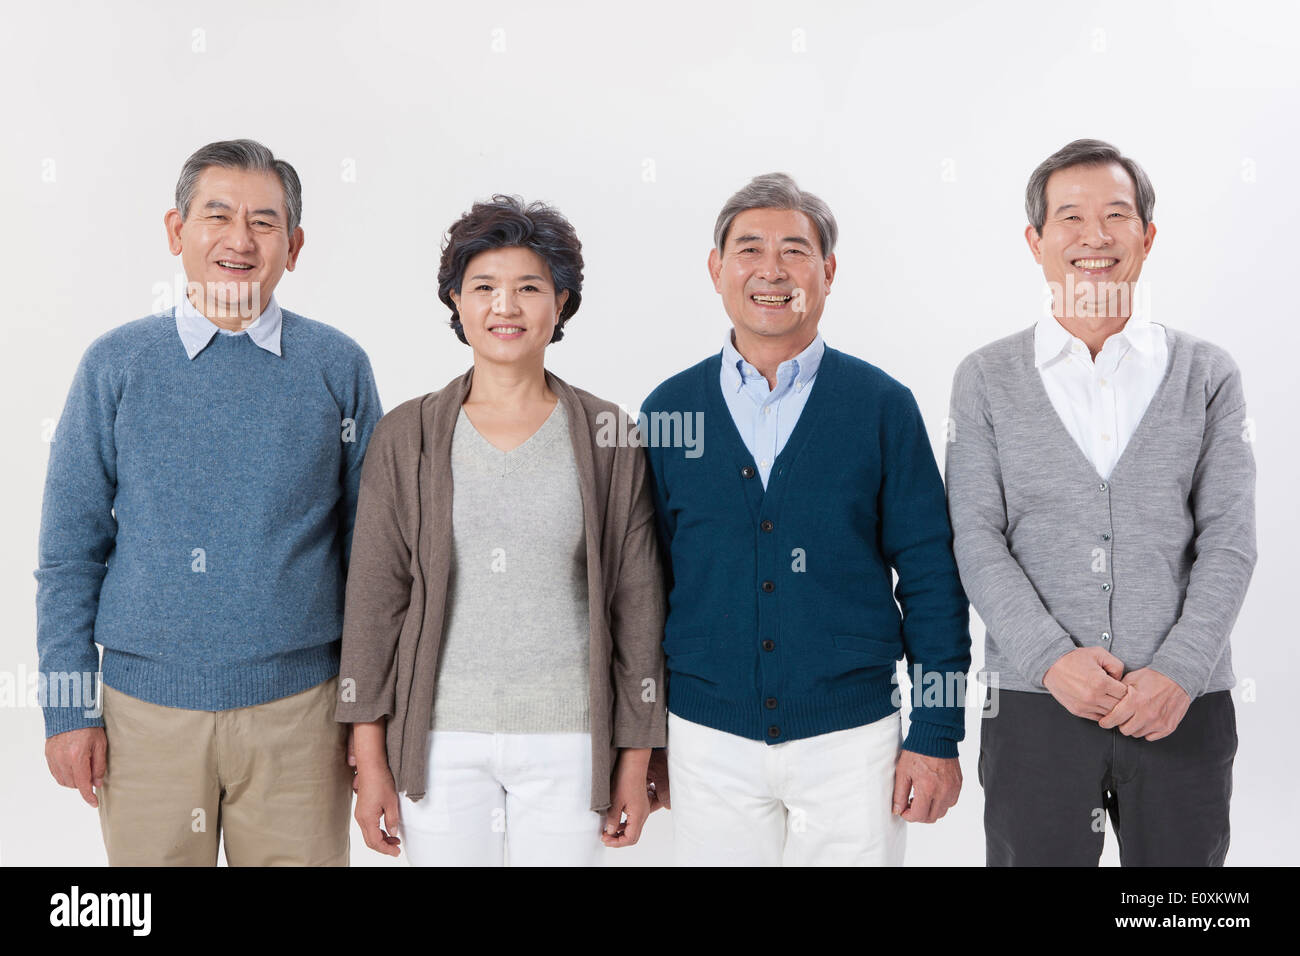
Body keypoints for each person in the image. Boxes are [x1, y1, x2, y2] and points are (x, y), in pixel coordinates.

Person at [36, 138, 382, 866]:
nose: (239, 239)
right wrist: (69, 709)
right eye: (217, 215)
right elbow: (68, 554)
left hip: (302, 715)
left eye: (264, 222)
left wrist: (366, 714)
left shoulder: (337, 365)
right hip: (144, 718)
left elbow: (373, 557)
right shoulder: (116, 364)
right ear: (176, 231)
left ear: (294, 244)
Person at [640, 173, 971, 866]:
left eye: (795, 250)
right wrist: (643, 736)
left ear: (827, 271)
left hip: (854, 742)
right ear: (716, 269)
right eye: (749, 249)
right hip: (707, 738)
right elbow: (647, 587)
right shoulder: (669, 411)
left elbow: (934, 581)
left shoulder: (881, 406)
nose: (771, 269)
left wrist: (937, 732)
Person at [946, 139, 1256, 866]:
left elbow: (1230, 539)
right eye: (1071, 217)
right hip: (1033, 707)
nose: (1095, 236)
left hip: (1183, 705)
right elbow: (976, 536)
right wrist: (1054, 661)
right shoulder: (986, 378)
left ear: (1146, 238)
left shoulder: (1207, 374)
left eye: (1118, 215)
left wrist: (1178, 670)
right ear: (1037, 241)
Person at [336, 194, 667, 866]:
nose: (505, 307)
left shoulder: (609, 436)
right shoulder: (407, 435)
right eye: (484, 287)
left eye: (529, 288)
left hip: (572, 741)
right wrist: (368, 761)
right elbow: (373, 605)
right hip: (438, 738)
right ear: (457, 302)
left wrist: (636, 755)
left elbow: (638, 608)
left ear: (562, 303)